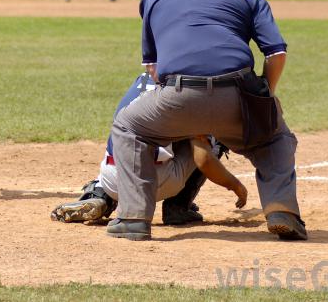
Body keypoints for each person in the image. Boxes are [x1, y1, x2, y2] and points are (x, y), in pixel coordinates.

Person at [107, 0, 304, 242]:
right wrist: (265, 95)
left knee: (129, 127)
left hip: (177, 95)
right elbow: (276, 53)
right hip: (238, 98)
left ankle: (133, 219)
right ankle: (282, 210)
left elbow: (153, 69)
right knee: (275, 139)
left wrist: (185, 116)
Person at [51, 72, 247, 226]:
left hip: (112, 178)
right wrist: (236, 186)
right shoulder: (183, 91)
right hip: (156, 184)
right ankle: (178, 207)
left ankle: (99, 195)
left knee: (126, 139)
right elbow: (203, 159)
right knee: (210, 137)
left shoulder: (141, 81)